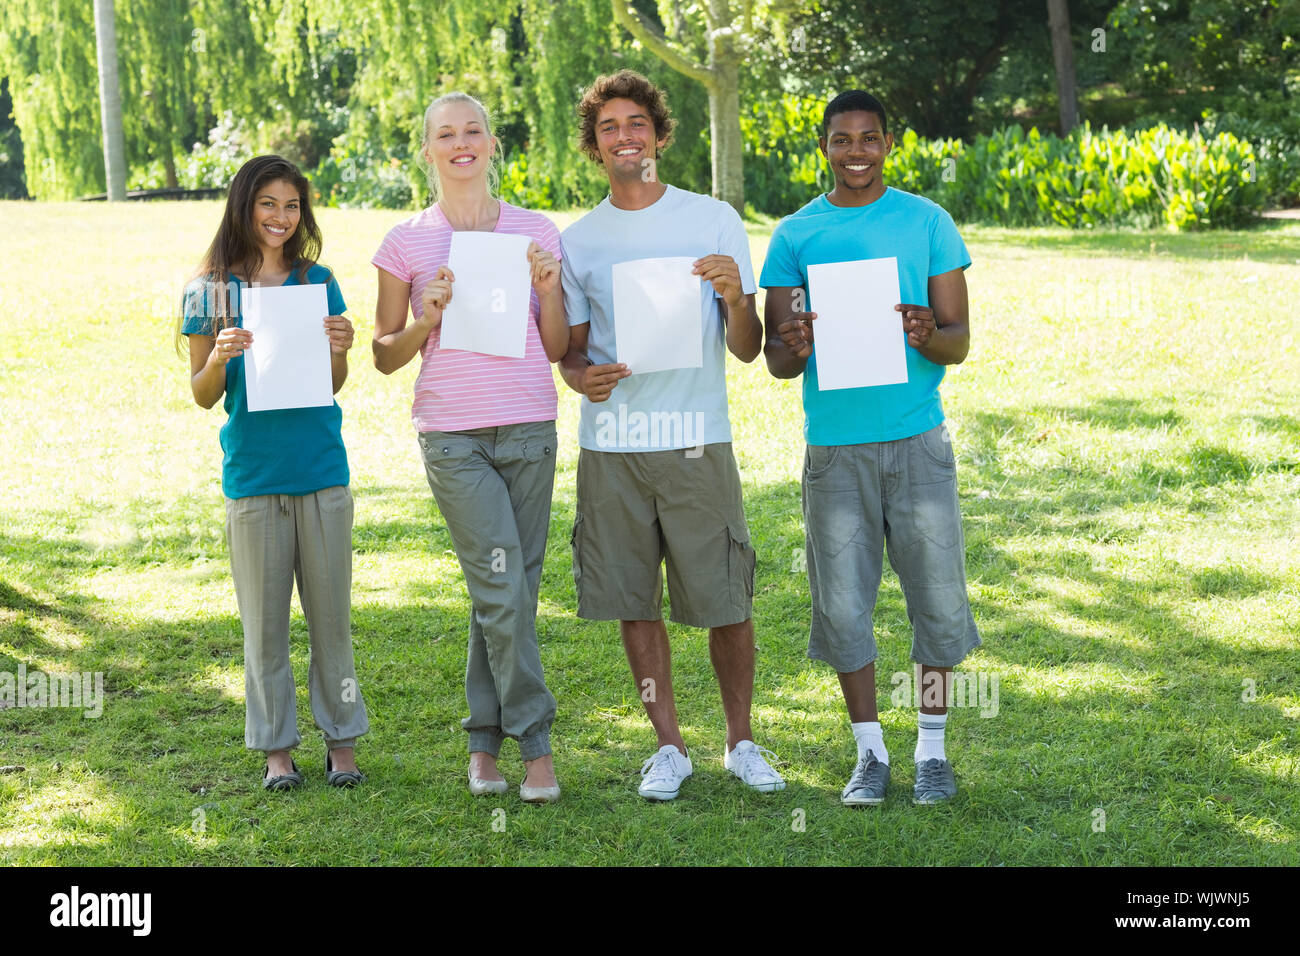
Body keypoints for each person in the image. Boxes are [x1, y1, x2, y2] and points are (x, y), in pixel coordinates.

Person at [558, 70, 785, 801]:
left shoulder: (712, 219)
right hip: (614, 446)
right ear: (595, 147)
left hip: (696, 437)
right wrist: (578, 379)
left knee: (726, 596)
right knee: (634, 599)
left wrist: (731, 295)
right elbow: (573, 352)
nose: (624, 137)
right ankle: (668, 747)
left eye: (635, 123)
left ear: (658, 133)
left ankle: (741, 740)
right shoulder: (581, 241)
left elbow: (748, 347)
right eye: (607, 128)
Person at [760, 90, 980, 806]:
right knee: (845, 608)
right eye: (841, 140)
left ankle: (933, 754)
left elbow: (959, 341)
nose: (855, 151)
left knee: (939, 602)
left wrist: (925, 330)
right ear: (824, 146)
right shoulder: (796, 235)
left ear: (890, 143)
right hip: (837, 451)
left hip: (916, 441)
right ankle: (870, 753)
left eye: (868, 138)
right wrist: (795, 341)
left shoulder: (927, 222)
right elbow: (778, 360)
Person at [371, 92, 567, 803]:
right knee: (502, 589)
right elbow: (385, 356)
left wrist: (547, 288)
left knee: (512, 592)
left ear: (491, 143)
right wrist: (427, 318)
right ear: (427, 150)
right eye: (445, 134)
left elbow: (555, 346)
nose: (461, 143)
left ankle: (482, 744)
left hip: (528, 429)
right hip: (454, 438)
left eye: (473, 131)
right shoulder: (406, 242)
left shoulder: (535, 232)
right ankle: (538, 750)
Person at [180, 154, 369, 790]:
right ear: (244, 207)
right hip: (254, 478)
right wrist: (220, 358)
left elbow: (333, 384)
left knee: (331, 621)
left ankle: (342, 740)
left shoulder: (319, 282)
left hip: (321, 469)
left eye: (291, 206)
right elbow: (203, 395)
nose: (281, 218)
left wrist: (339, 351)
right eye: (268, 205)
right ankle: (276, 750)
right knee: (264, 627)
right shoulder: (210, 291)